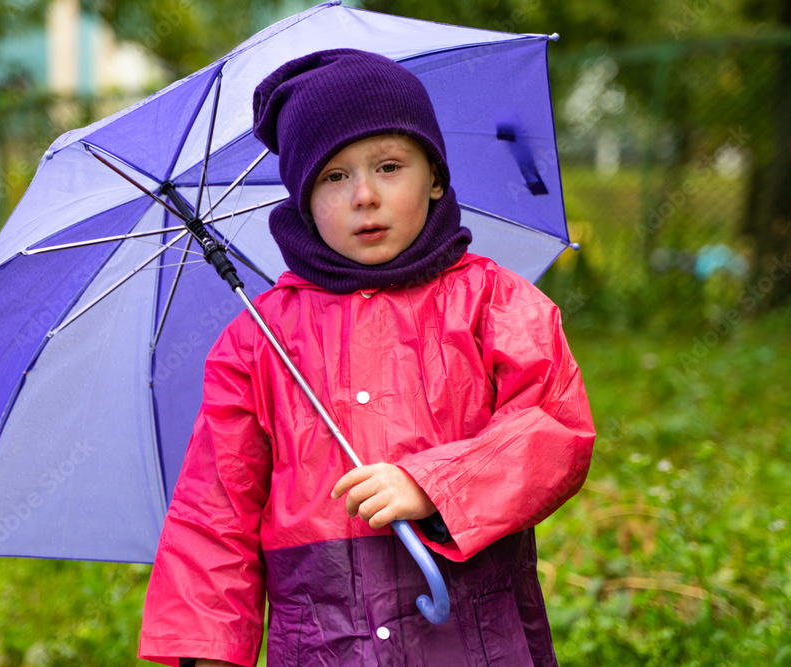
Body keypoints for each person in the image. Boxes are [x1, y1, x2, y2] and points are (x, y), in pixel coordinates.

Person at [139, 49, 595, 667]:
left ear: (433, 176)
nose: (364, 196)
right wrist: (210, 650)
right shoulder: (259, 341)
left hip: (475, 636)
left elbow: (552, 428)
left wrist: (433, 482)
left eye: (388, 166)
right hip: (327, 640)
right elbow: (215, 509)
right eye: (333, 177)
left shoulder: (495, 304)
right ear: (303, 198)